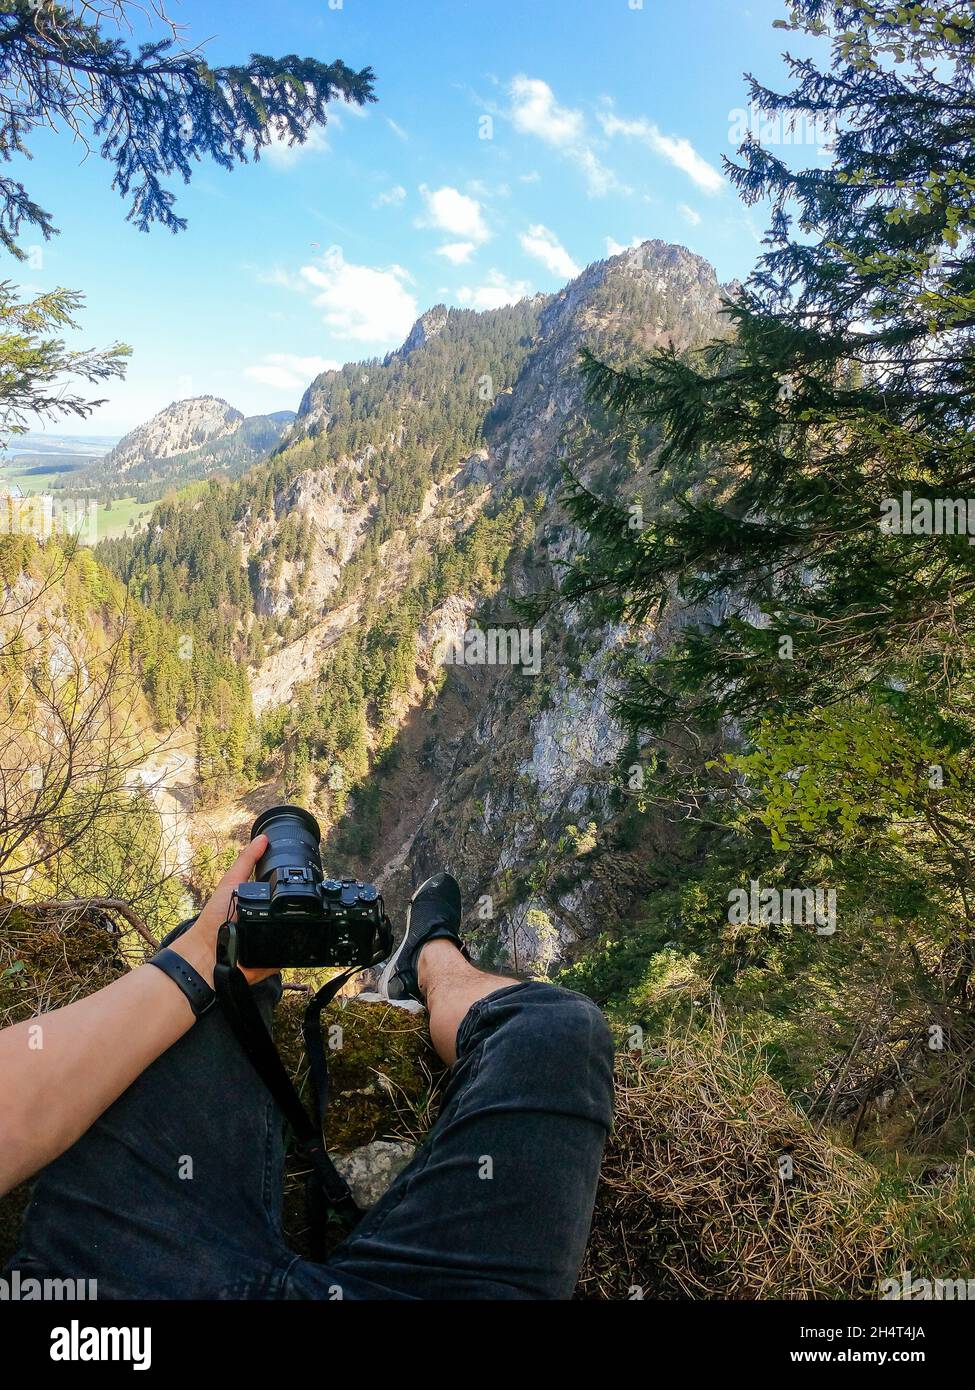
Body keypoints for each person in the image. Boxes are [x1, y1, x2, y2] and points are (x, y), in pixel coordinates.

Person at [0, 836, 615, 1299]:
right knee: (553, 1028)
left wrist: (197, 953)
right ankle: (434, 957)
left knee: (223, 958)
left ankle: (421, 960)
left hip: (114, 1277)